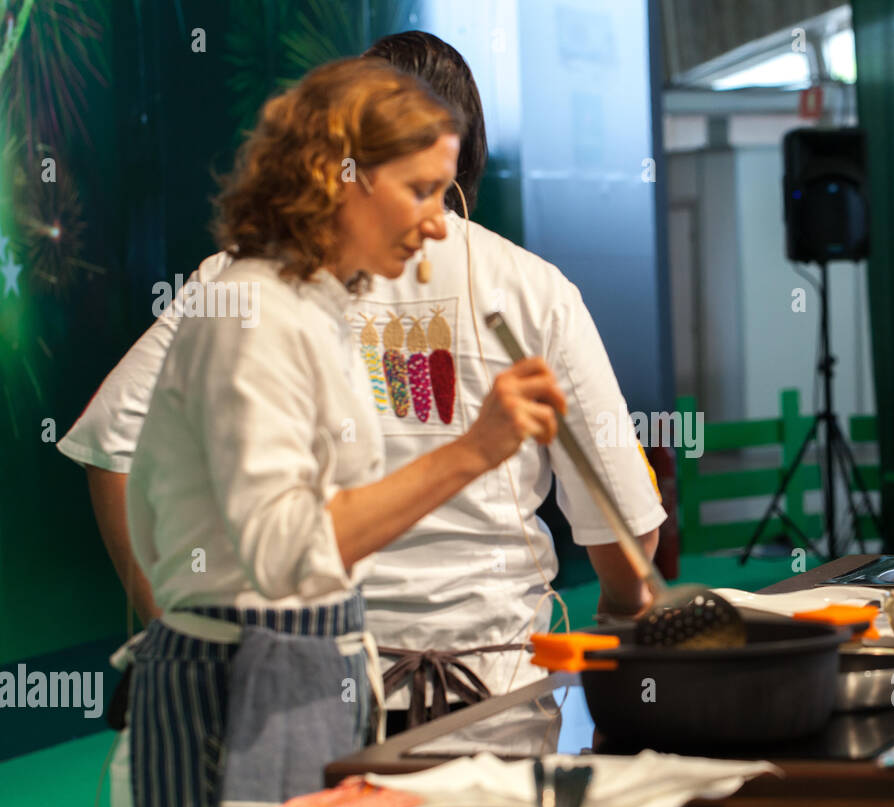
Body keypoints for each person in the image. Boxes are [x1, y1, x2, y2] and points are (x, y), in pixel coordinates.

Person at [57, 31, 666, 737]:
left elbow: (114, 444)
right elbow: (627, 531)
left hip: (331, 700)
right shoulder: (532, 291)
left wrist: (177, 630)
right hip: (442, 702)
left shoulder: (236, 281)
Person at [121, 57, 573, 807]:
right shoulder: (252, 315)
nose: (440, 221)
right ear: (341, 178)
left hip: (304, 674)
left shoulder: (317, 307)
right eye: (421, 190)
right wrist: (474, 451)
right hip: (237, 691)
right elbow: (285, 551)